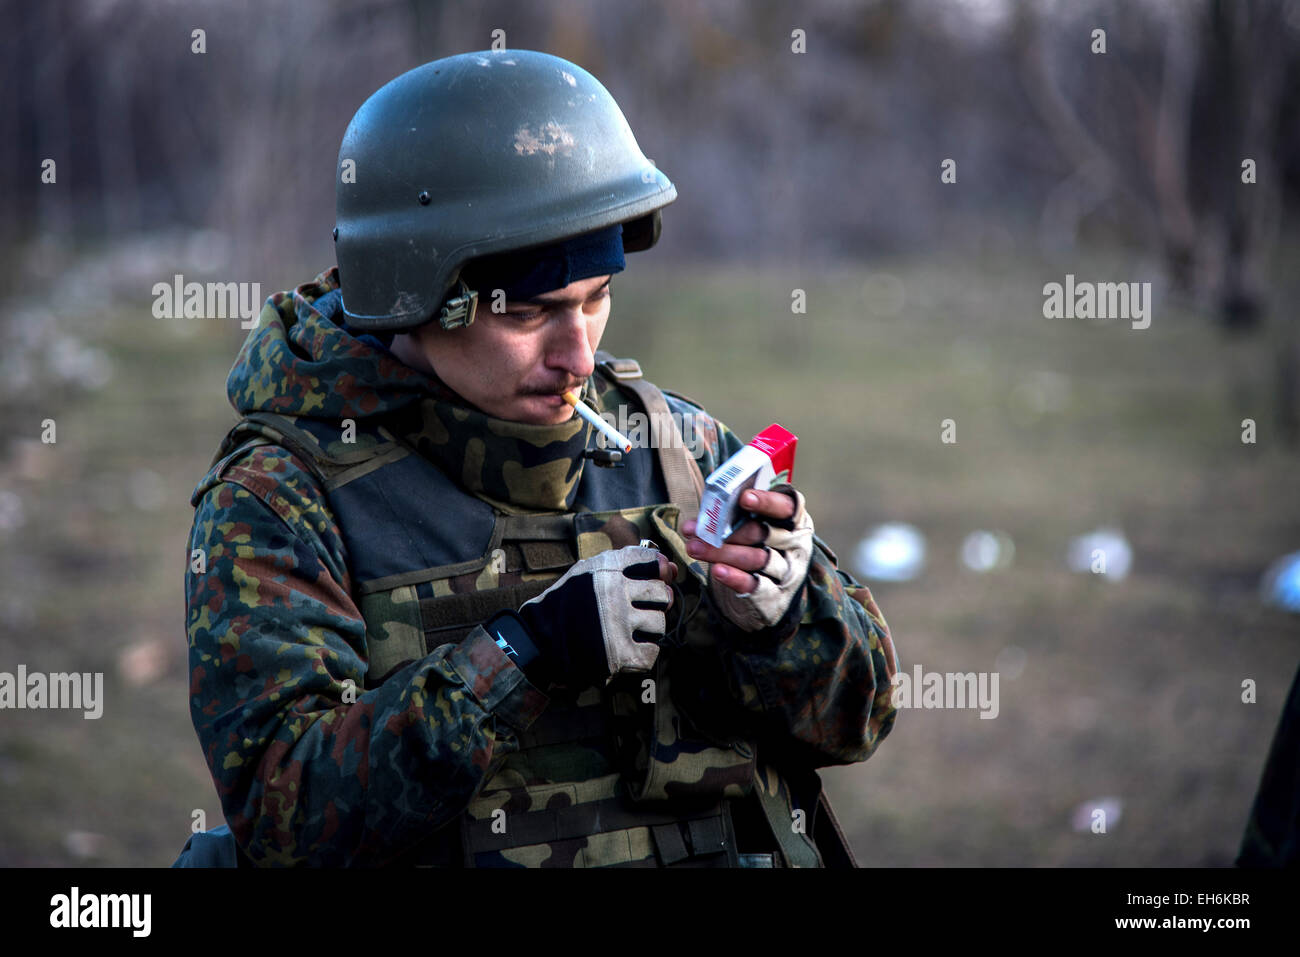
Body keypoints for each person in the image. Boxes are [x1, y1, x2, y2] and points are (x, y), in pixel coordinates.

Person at [179, 49, 899, 868]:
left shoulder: (679, 446)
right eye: (530, 314)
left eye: (597, 300)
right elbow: (285, 818)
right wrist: (522, 655)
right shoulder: (282, 496)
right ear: (413, 296)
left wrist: (781, 617)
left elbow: (859, 719)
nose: (580, 356)